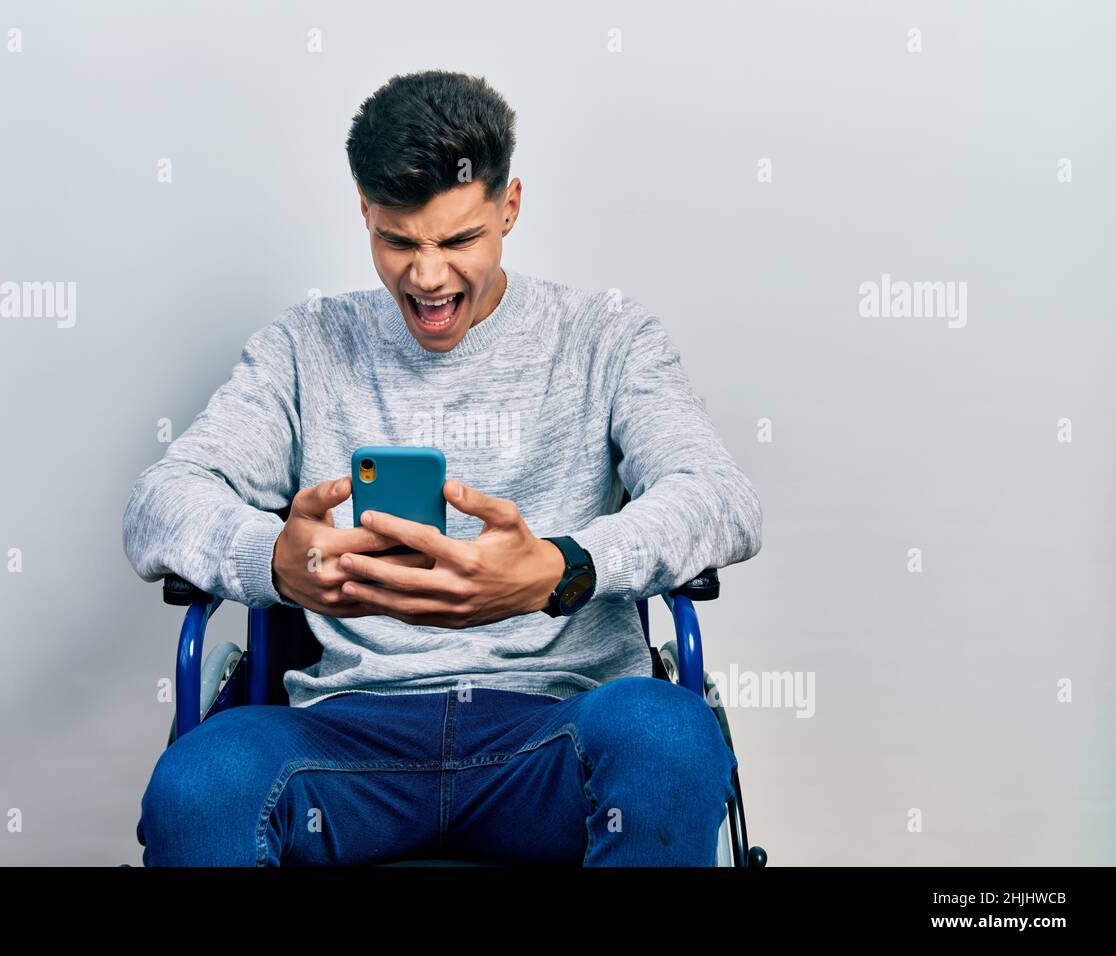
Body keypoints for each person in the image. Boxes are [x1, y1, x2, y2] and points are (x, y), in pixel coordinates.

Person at [123, 70, 762, 866]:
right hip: (349, 738)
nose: (427, 278)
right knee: (201, 783)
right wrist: (274, 563)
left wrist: (562, 571)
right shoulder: (306, 347)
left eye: (459, 240)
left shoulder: (606, 337)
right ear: (365, 213)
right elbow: (159, 505)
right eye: (399, 240)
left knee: (669, 735)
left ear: (509, 207)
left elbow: (721, 499)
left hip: (556, 730)